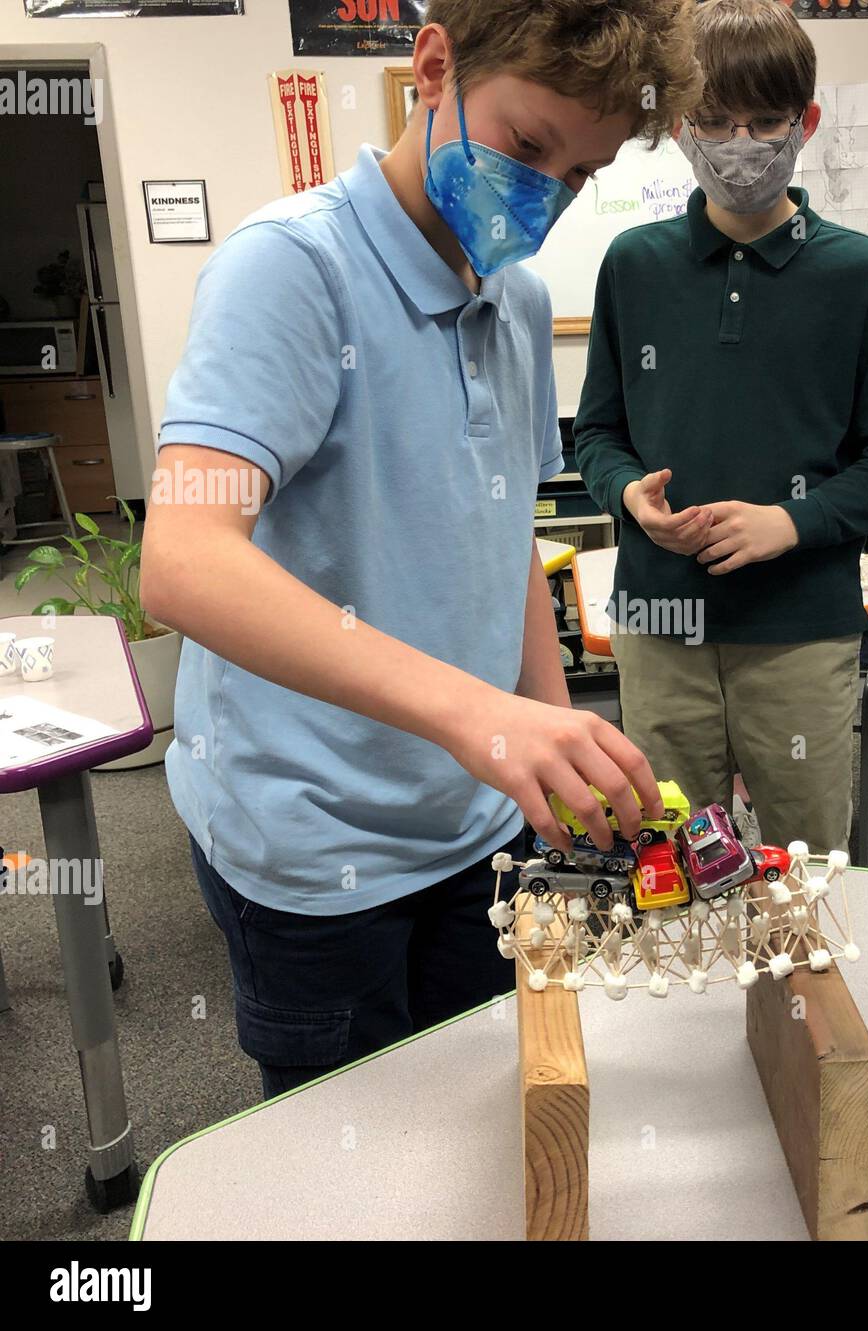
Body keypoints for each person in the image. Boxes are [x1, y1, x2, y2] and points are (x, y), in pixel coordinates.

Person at [140, 2, 703, 1097]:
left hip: (473, 822)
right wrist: (477, 714)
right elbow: (184, 559)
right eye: (529, 149)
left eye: (579, 175)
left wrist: (550, 733)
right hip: (313, 846)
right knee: (351, 1154)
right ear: (433, 68)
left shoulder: (519, 299)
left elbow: (504, 542)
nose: (543, 199)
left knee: (475, 1118)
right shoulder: (288, 270)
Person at [574, 0, 868, 856]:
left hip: (799, 628)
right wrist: (630, 496)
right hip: (661, 624)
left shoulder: (859, 275)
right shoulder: (634, 266)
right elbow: (595, 435)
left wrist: (790, 522)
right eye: (715, 122)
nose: (740, 144)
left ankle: (798, 995)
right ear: (679, 125)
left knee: (806, 866)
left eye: (765, 121)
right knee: (668, 861)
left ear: (805, 123)